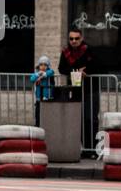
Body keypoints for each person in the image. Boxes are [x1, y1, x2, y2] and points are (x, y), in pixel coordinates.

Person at [58, 28, 98, 156]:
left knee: (90, 119)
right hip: (75, 90)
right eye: (71, 39)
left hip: (90, 89)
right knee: (78, 120)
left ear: (81, 38)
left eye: (76, 38)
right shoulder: (65, 52)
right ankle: (84, 149)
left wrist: (87, 71)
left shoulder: (88, 50)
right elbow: (61, 68)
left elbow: (99, 65)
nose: (74, 41)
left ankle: (92, 149)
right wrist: (75, 71)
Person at [32, 56, 56, 126]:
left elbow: (51, 72)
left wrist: (42, 75)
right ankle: (37, 125)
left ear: (48, 66)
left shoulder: (49, 72)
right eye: (41, 64)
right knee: (38, 113)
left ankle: (47, 126)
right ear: (38, 66)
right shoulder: (36, 73)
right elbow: (32, 79)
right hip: (39, 97)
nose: (43, 66)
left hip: (47, 97)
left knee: (47, 114)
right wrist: (38, 75)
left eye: (45, 65)